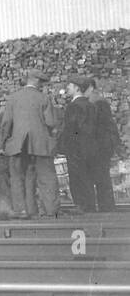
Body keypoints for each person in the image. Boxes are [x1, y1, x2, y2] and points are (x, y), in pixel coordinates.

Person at [0, 69, 59, 217]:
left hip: (18, 145)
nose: (43, 86)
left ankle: (23, 210)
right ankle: (51, 211)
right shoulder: (44, 98)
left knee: (19, 178)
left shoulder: (13, 98)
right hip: (41, 145)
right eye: (42, 83)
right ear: (37, 81)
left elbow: (6, 123)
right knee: (46, 177)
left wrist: (2, 144)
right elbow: (51, 123)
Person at [58, 76, 96, 212]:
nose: (67, 88)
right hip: (88, 147)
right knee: (87, 177)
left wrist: (62, 145)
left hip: (75, 148)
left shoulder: (74, 106)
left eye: (70, 85)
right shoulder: (90, 105)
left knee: (77, 176)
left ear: (77, 88)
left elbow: (72, 129)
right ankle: (89, 205)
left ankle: (81, 205)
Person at [89, 80, 120, 212]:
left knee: (101, 177)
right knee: (102, 177)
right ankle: (106, 206)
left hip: (99, 145)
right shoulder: (98, 101)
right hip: (104, 144)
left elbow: (99, 125)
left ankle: (106, 207)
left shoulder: (97, 102)